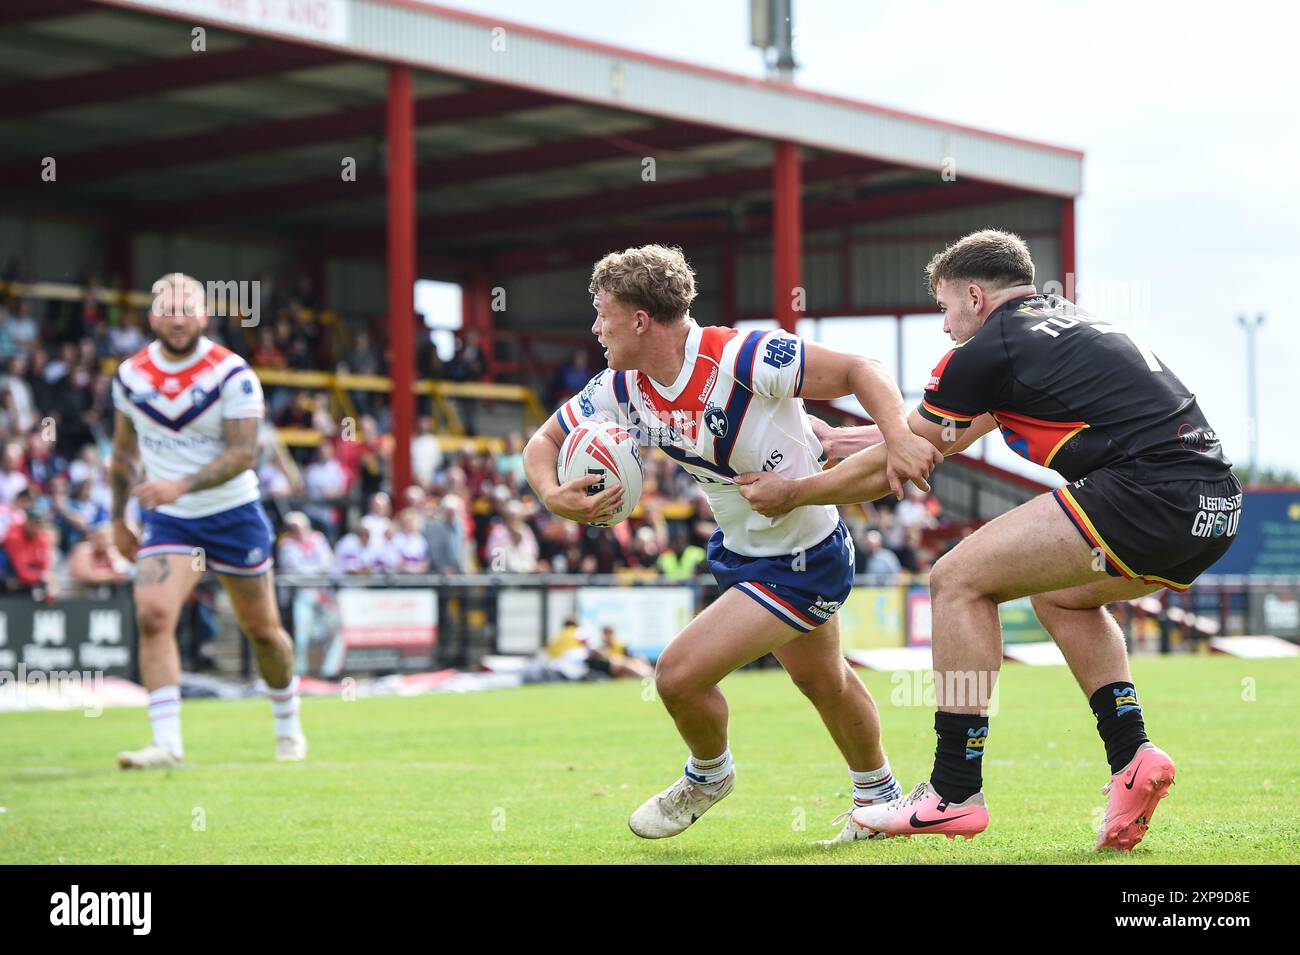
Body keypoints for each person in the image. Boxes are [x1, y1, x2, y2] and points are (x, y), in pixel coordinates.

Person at [737, 229, 1240, 851]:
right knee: (1062, 597)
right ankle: (1133, 757)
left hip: (1147, 494)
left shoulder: (988, 347)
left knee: (957, 580)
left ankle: (953, 789)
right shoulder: (1061, 326)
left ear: (974, 296)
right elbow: (934, 434)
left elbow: (914, 455)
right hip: (1215, 507)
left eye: (946, 308)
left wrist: (795, 493)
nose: (946, 326)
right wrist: (832, 442)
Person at [524, 244, 941, 841]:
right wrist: (551, 493)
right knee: (824, 682)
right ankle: (881, 800)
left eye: (602, 311)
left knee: (675, 675)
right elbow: (542, 440)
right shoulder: (622, 388)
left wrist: (897, 439)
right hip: (741, 551)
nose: (595, 326)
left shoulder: (740, 357)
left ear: (640, 320)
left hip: (803, 559)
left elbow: (860, 369)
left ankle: (708, 774)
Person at [110, 272, 306, 769]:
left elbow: (242, 454)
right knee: (153, 615)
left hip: (234, 514)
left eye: (186, 309)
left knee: (263, 632)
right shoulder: (130, 376)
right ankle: (167, 745)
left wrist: (178, 484)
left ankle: (288, 723)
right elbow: (122, 455)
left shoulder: (232, 373)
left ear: (204, 315)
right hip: (171, 521)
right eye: (168, 310)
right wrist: (117, 518)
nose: (177, 319)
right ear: (153, 317)